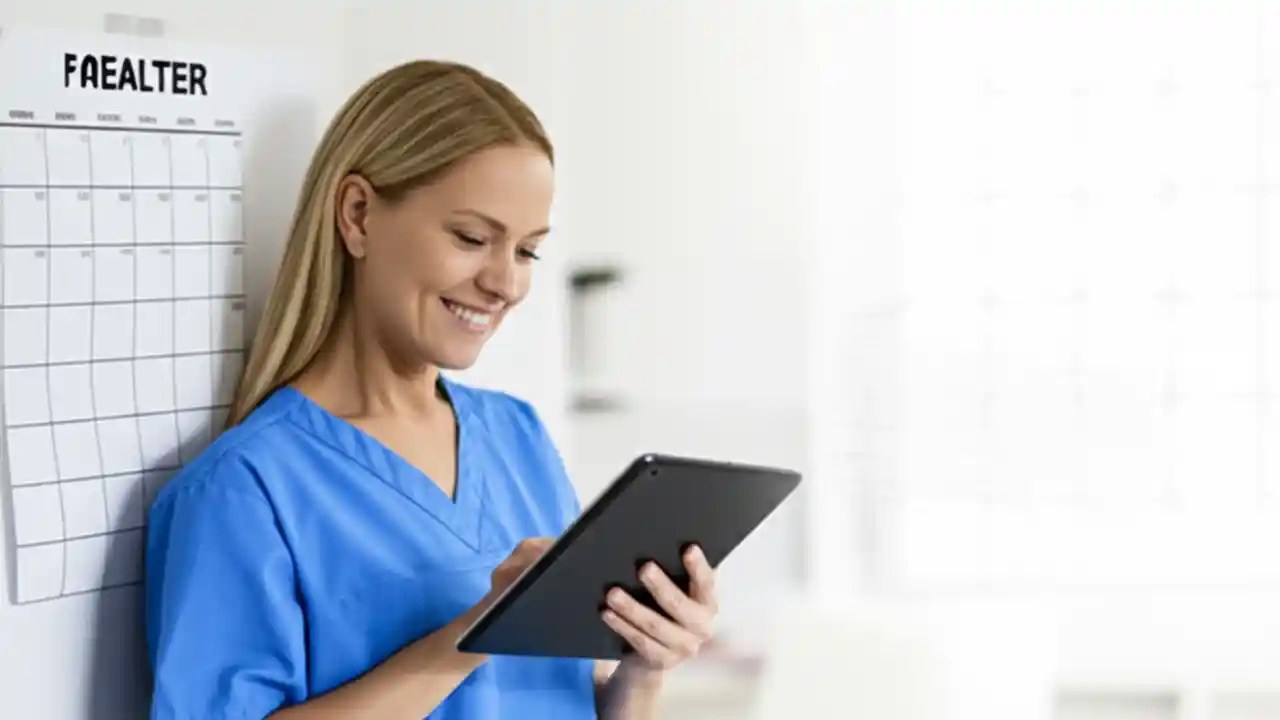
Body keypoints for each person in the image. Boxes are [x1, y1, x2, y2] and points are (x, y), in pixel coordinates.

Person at [143, 59, 719, 719]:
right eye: (472, 238)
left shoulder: (518, 436)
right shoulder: (244, 488)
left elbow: (554, 699)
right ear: (358, 215)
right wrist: (471, 635)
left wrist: (642, 670)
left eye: (527, 251)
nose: (506, 283)